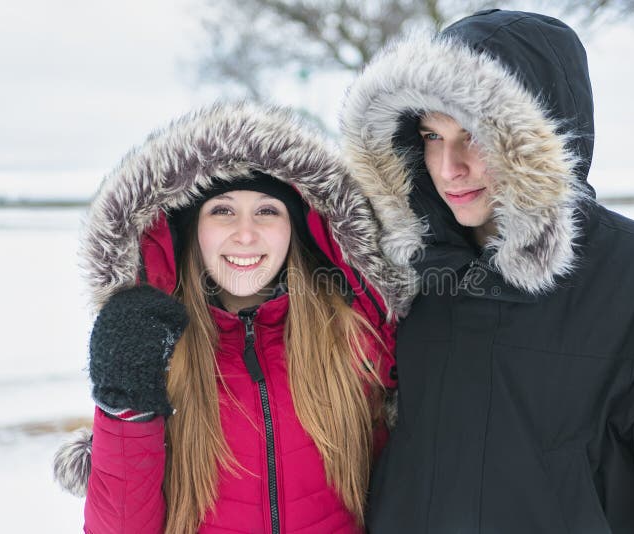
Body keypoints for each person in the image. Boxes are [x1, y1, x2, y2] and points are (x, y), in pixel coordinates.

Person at [340, 9, 634, 533]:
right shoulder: (402, 280)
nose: (448, 167)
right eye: (432, 136)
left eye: (473, 135)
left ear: (541, 141)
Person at [53, 101, 411, 533]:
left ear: (296, 226)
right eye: (222, 210)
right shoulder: (159, 353)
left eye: (267, 211)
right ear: (192, 229)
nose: (245, 234)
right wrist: (125, 405)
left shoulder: (355, 336)